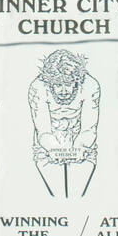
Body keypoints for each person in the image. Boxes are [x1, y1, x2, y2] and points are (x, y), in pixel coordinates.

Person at [28, 49, 100, 198]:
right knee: (56, 193)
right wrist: (54, 149)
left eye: (68, 84)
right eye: (58, 85)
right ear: (49, 82)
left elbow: (89, 127)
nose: (63, 91)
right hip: (48, 139)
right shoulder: (37, 87)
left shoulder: (90, 85)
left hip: (81, 137)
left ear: (76, 81)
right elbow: (42, 129)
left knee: (79, 192)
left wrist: (80, 148)